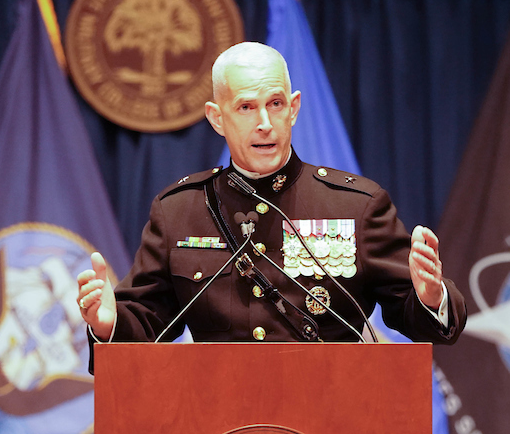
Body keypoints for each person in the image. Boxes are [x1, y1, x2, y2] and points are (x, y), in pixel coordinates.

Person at [74, 41, 466, 345]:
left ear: (293, 109)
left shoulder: (356, 206)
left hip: (333, 419)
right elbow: (146, 320)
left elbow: (421, 322)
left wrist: (432, 298)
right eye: (246, 107)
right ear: (217, 118)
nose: (265, 123)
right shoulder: (180, 211)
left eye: (275, 104)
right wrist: (108, 325)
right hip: (216, 423)